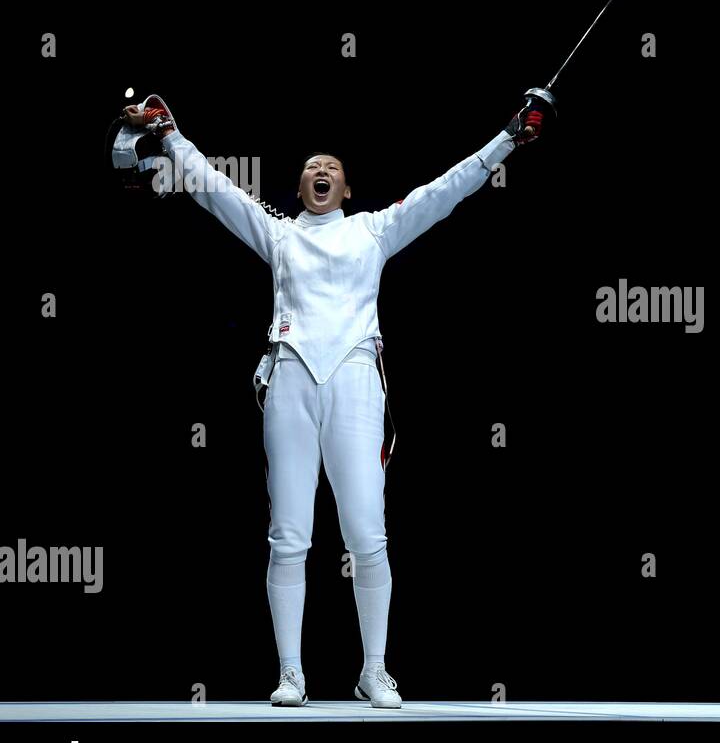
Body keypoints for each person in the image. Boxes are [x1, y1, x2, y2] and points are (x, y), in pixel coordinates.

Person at [120, 95, 544, 709]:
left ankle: (375, 668)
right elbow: (214, 189)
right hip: (289, 378)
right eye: (311, 166)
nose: (321, 171)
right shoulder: (280, 234)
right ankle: (291, 672)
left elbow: (444, 190)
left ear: (345, 189)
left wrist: (507, 139)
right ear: (300, 186)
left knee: (367, 534)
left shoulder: (373, 230)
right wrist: (171, 133)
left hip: (353, 381)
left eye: (332, 168)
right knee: (288, 535)